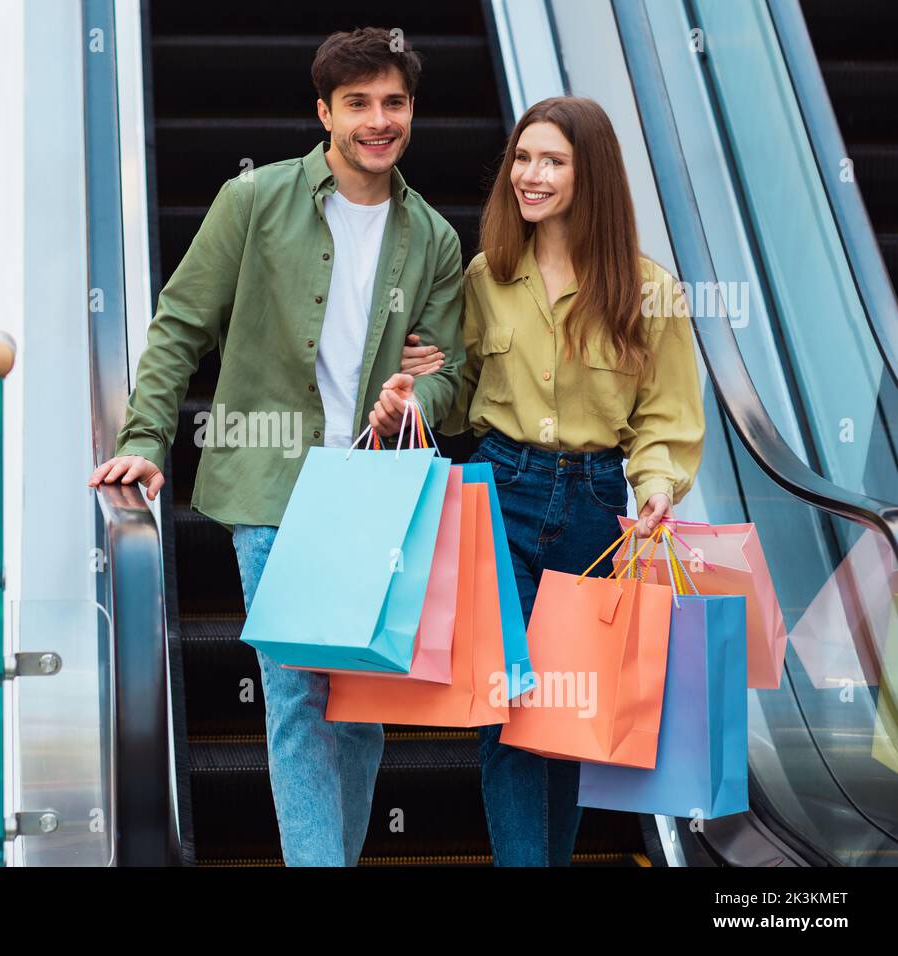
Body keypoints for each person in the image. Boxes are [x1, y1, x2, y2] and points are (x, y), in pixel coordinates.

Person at [88, 27, 465, 866]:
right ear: (324, 111)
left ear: (412, 112)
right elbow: (182, 323)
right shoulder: (253, 201)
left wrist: (415, 398)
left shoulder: (434, 237)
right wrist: (147, 436)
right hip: (271, 488)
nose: (379, 120)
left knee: (360, 707)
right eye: (359, 104)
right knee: (296, 698)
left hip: (371, 494)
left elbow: (453, 370)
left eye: (394, 103)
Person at [402, 95, 705, 866]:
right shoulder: (485, 276)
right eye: (523, 159)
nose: (530, 176)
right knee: (503, 711)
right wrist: (420, 378)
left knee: (565, 717)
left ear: (590, 173)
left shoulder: (650, 289)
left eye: (553, 161)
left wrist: (658, 487)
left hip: (598, 509)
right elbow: (458, 387)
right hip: (497, 491)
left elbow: (666, 419)